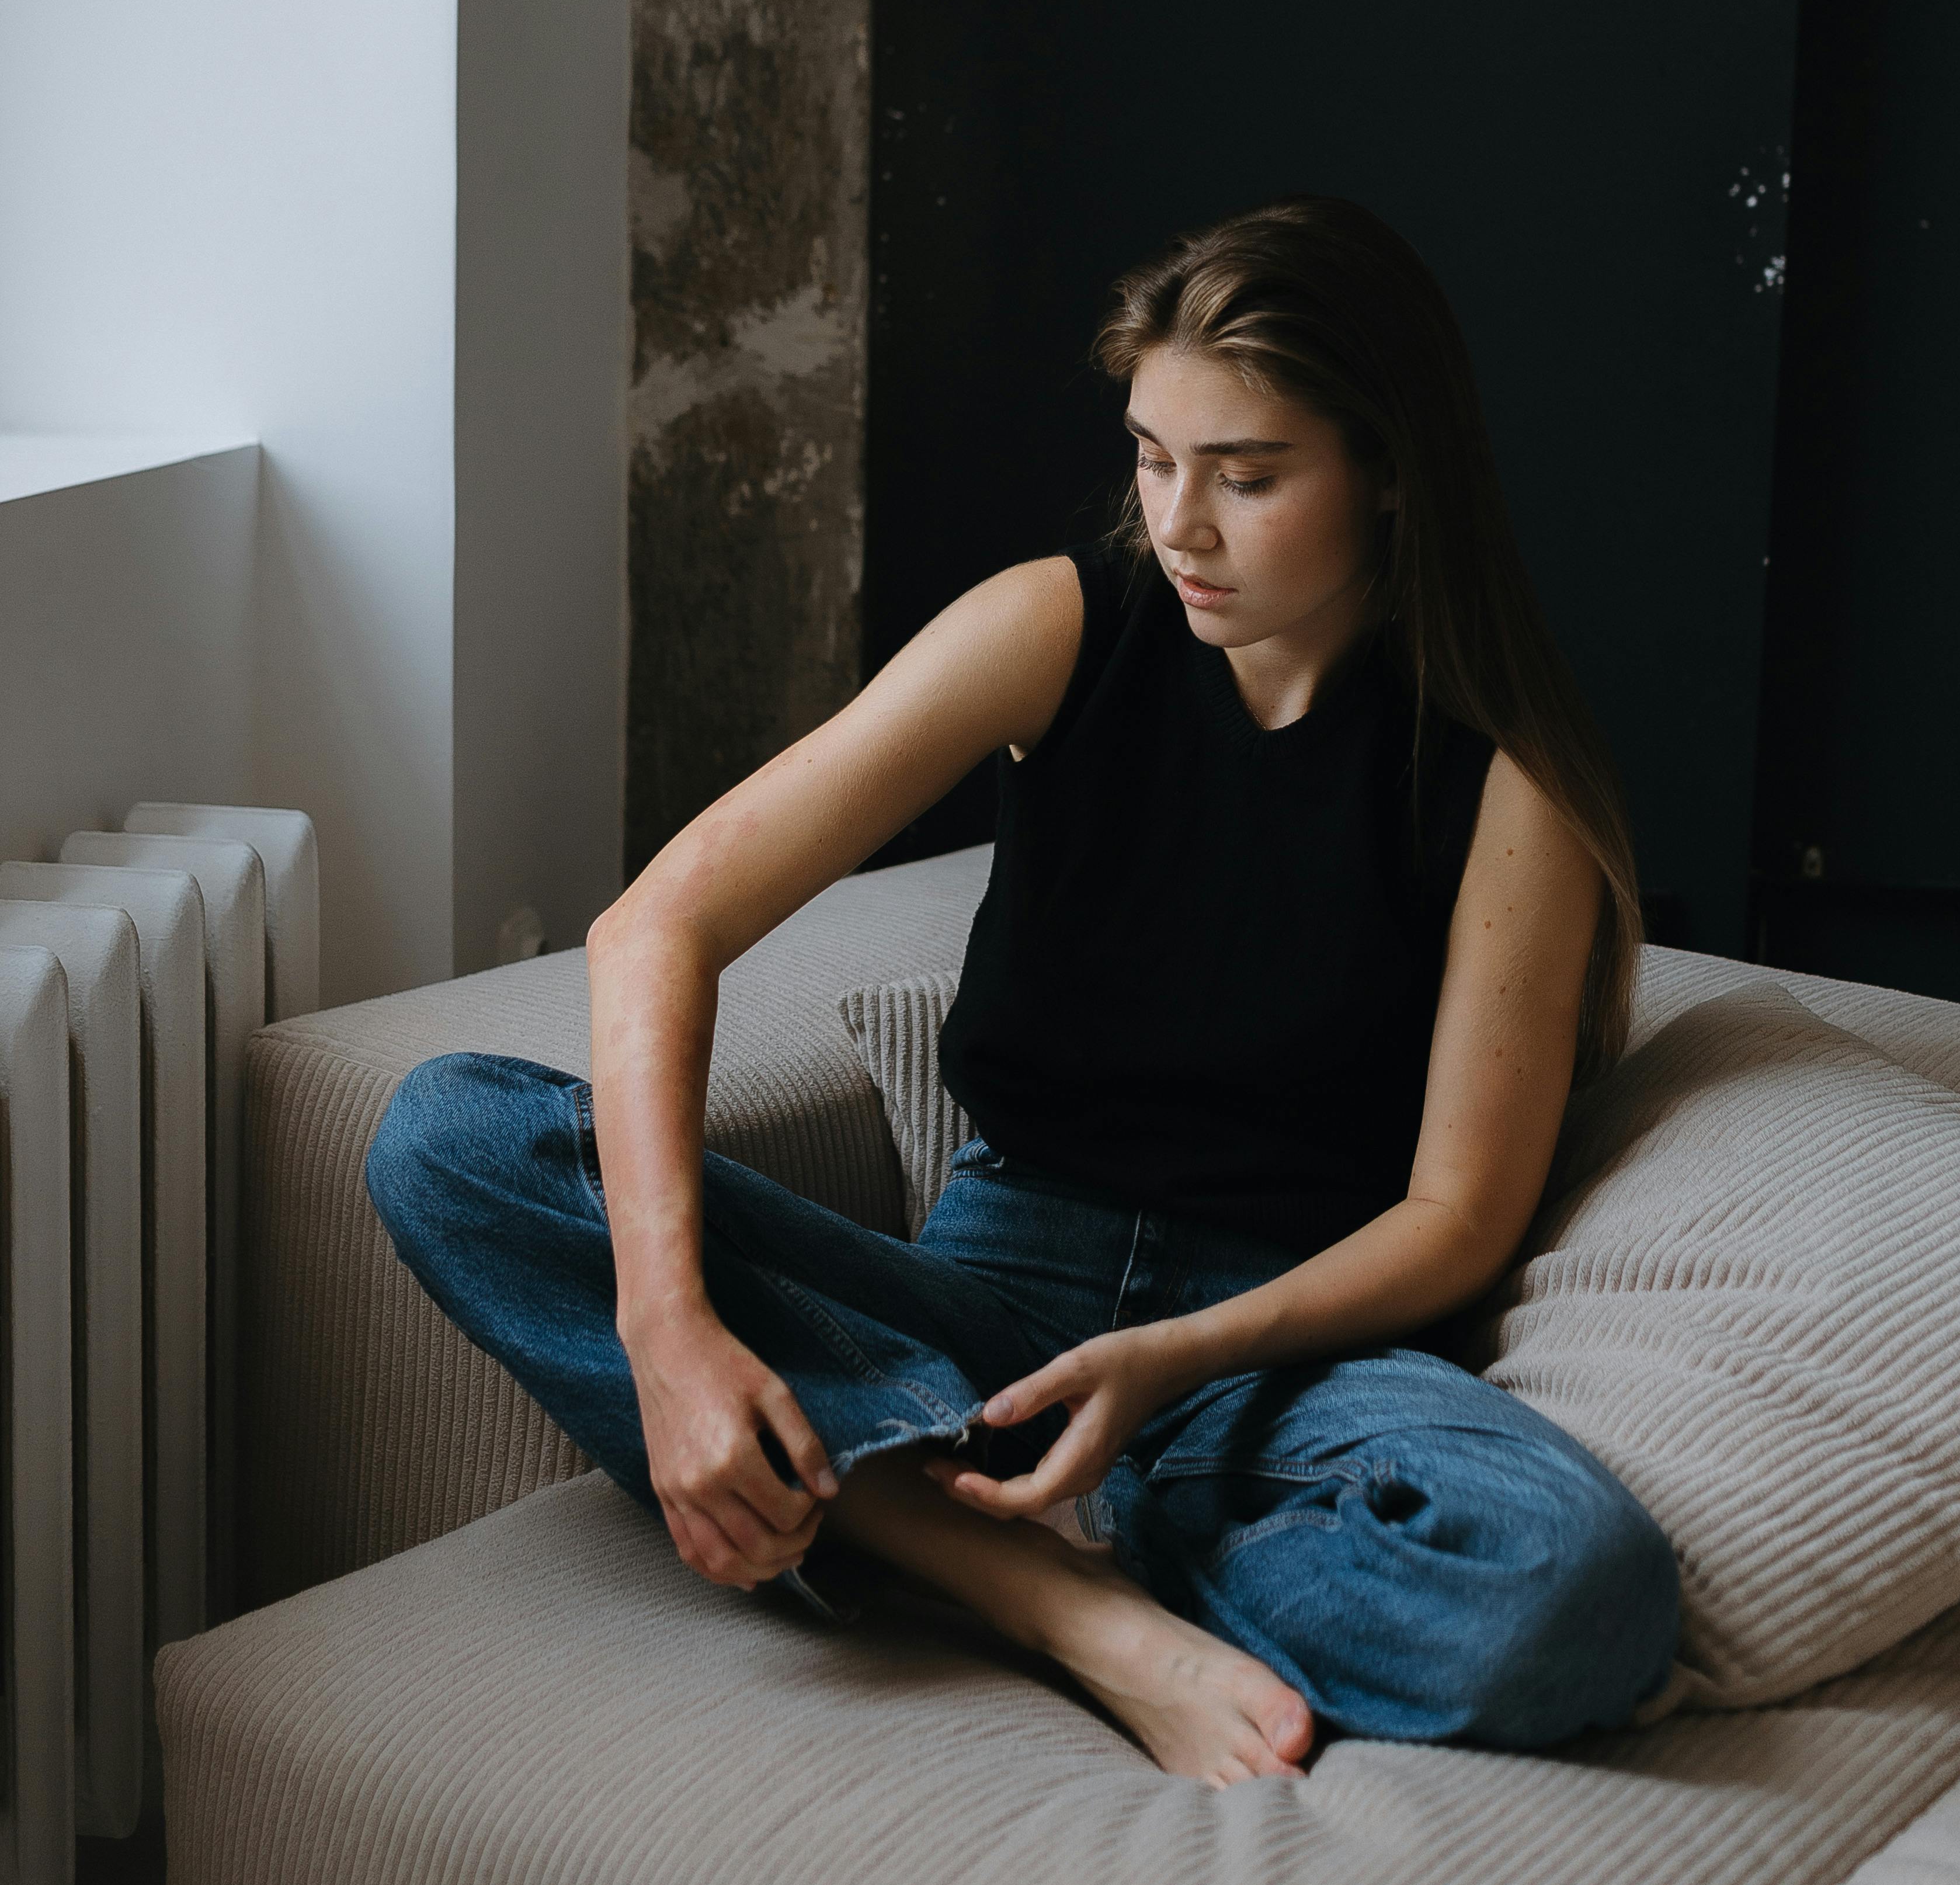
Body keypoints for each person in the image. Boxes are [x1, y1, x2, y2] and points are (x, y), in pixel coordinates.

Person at [369, 197, 1677, 1785]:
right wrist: (671, 1328)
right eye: (1151, 454)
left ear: (1390, 473)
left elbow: (1457, 1222)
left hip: (1266, 1367)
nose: (1179, 521)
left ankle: (965, 1518)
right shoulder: (1057, 625)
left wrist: (1169, 1372)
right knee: (450, 1135)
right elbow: (659, 926)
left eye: (1247, 476)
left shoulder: (1504, 785)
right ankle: (1053, 1597)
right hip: (974, 1314)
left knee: (1574, 1593)